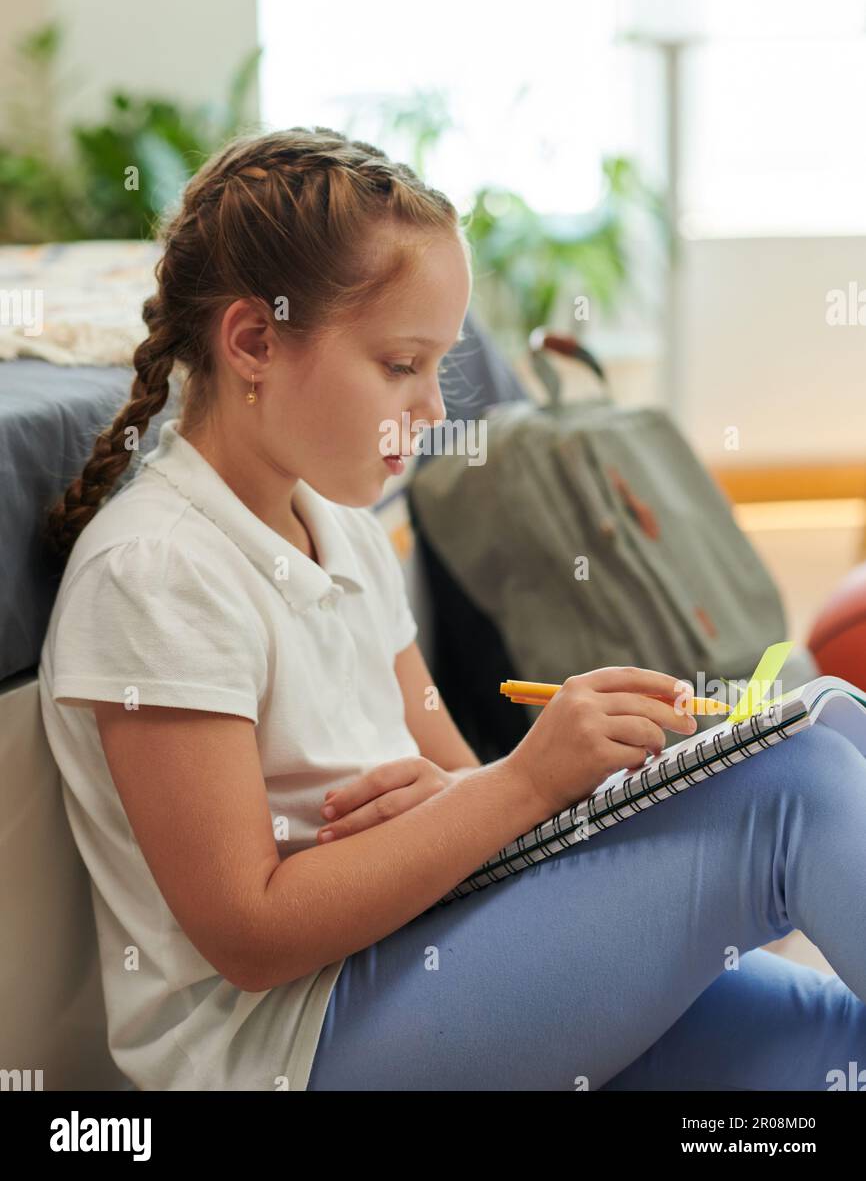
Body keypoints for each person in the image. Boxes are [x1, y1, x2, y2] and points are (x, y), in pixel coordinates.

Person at [39, 127, 866, 1093]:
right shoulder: (156, 573)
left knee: (835, 1040)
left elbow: (452, 772)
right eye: (400, 366)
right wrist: (524, 783)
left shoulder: (337, 525)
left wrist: (485, 792)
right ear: (254, 341)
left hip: (431, 942)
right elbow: (251, 936)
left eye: (441, 368)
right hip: (292, 1043)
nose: (434, 410)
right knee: (793, 786)